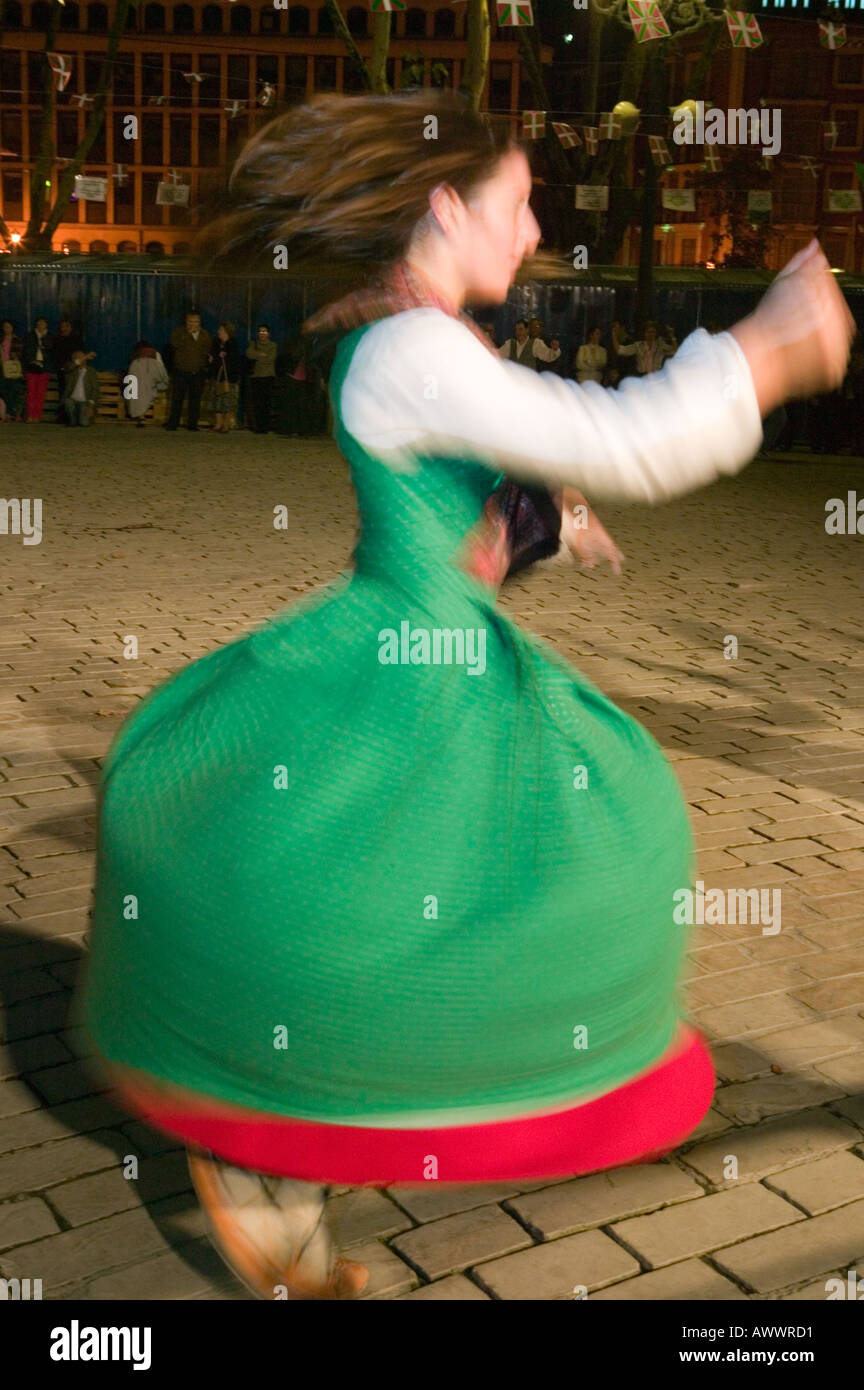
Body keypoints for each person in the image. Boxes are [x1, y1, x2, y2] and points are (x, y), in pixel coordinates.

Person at [78, 90, 854, 1304]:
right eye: (519, 202)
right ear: (447, 207)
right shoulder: (413, 346)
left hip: (438, 647)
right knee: (406, 899)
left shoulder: (418, 332)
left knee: (383, 903)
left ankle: (286, 1146)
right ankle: (260, 1141)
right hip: (398, 666)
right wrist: (765, 352)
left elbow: (470, 489)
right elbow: (618, 436)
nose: (537, 228)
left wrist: (526, 525)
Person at [165, 311, 211, 432]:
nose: (193, 324)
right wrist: (187, 335)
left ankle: (192, 424)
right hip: (181, 371)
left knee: (195, 399)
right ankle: (173, 423)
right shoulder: (179, 332)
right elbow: (174, 344)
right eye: (190, 321)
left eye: (196, 322)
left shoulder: (204, 335)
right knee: (177, 399)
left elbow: (207, 350)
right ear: (186, 322)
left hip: (197, 372)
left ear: (199, 323)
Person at [125, 340, 169, 427]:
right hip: (150, 385)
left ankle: (141, 416)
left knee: (137, 394)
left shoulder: (135, 362)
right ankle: (142, 415)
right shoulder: (155, 360)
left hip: (136, 387)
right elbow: (162, 376)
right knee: (149, 390)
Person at [209, 323, 241, 433]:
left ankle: (226, 424)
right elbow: (212, 356)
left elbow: (233, 361)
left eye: (221, 330)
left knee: (227, 402)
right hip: (217, 376)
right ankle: (218, 424)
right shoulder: (216, 342)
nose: (219, 332)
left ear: (227, 332)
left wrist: (222, 359)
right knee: (217, 401)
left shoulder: (232, 344)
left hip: (229, 378)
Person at [245, 324, 277, 433]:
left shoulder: (273, 345)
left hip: (267, 377)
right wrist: (261, 355)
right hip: (256, 377)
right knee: (256, 403)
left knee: (266, 403)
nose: (262, 334)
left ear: (269, 333)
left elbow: (270, 358)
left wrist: (258, 356)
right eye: (260, 331)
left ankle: (265, 426)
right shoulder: (253, 344)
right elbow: (249, 354)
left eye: (265, 332)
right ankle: (257, 426)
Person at [22, 316, 54, 422]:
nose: (41, 325)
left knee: (41, 393)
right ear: (36, 324)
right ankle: (30, 415)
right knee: (31, 392)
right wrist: (31, 360)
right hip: (31, 366)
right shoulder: (30, 336)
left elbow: (50, 349)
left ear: (46, 325)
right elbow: (26, 350)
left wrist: (43, 337)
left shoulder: (49, 336)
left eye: (43, 323)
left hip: (45, 367)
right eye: (39, 323)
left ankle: (37, 416)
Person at [61, 348, 100, 426]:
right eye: (79, 358)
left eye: (83, 357)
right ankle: (72, 420)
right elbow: (68, 367)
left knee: (84, 423)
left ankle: (80, 418)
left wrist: (91, 405)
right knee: (68, 403)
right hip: (72, 400)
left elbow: (95, 389)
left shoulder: (91, 371)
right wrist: (85, 357)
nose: (82, 359)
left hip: (85, 401)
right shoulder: (71, 371)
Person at [0, 319, 25, 423]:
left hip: (12, 368)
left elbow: (20, 354)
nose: (6, 329)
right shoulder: (1, 339)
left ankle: (14, 413)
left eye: (8, 327)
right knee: (4, 391)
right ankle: (6, 413)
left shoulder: (17, 340)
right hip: (1, 368)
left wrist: (14, 358)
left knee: (13, 391)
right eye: (5, 327)